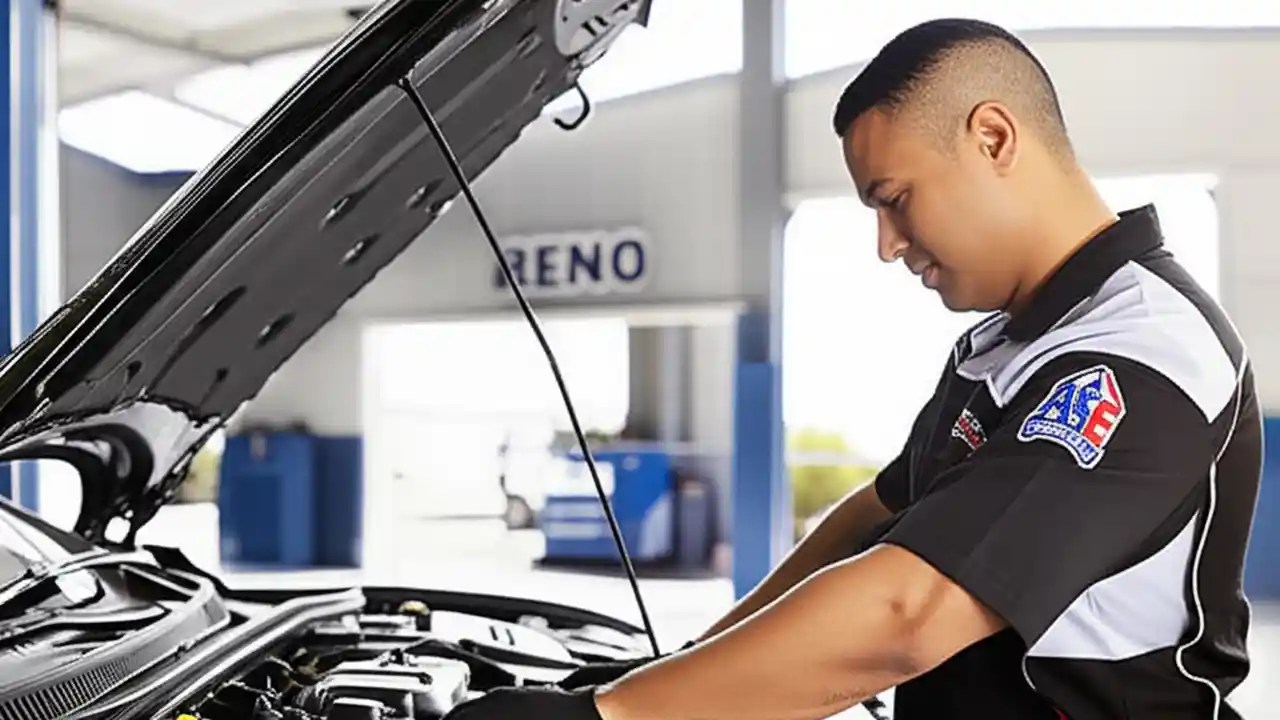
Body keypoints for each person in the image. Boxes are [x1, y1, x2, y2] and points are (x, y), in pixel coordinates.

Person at [441, 17, 1261, 720]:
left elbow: (912, 610)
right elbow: (872, 522)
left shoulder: (1143, 351)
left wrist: (610, 716)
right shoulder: (1009, 345)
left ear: (993, 138)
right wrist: (676, 673)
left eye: (894, 198)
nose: (888, 245)